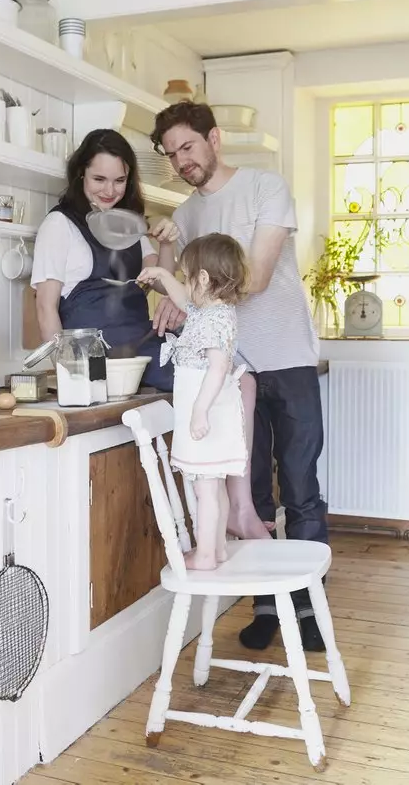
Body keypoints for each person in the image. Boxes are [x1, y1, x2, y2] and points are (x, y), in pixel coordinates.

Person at [149, 101, 328, 652]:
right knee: (245, 492)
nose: (182, 161)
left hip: (287, 355)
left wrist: (191, 296)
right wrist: (165, 247)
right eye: (171, 153)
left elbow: (254, 277)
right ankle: (268, 608)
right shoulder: (184, 215)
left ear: (214, 139)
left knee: (299, 489)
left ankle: (308, 611)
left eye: (188, 147)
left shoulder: (264, 187)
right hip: (230, 375)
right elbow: (170, 288)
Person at [31, 128, 178, 393]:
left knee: (204, 368)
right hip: (97, 361)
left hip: (142, 348)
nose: (110, 190)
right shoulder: (59, 225)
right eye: (99, 179)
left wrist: (168, 243)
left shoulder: (127, 223)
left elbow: (163, 284)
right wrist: (70, 379)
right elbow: (45, 309)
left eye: (119, 180)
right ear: (80, 174)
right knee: (191, 380)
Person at [138, 233, 249, 570]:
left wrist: (199, 412)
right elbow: (185, 300)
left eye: (187, 277)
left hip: (208, 417)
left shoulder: (214, 321)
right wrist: (163, 275)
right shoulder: (210, 311)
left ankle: (205, 555)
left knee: (206, 490)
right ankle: (216, 550)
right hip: (211, 415)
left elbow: (218, 368)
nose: (183, 285)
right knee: (214, 487)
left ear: (203, 278)